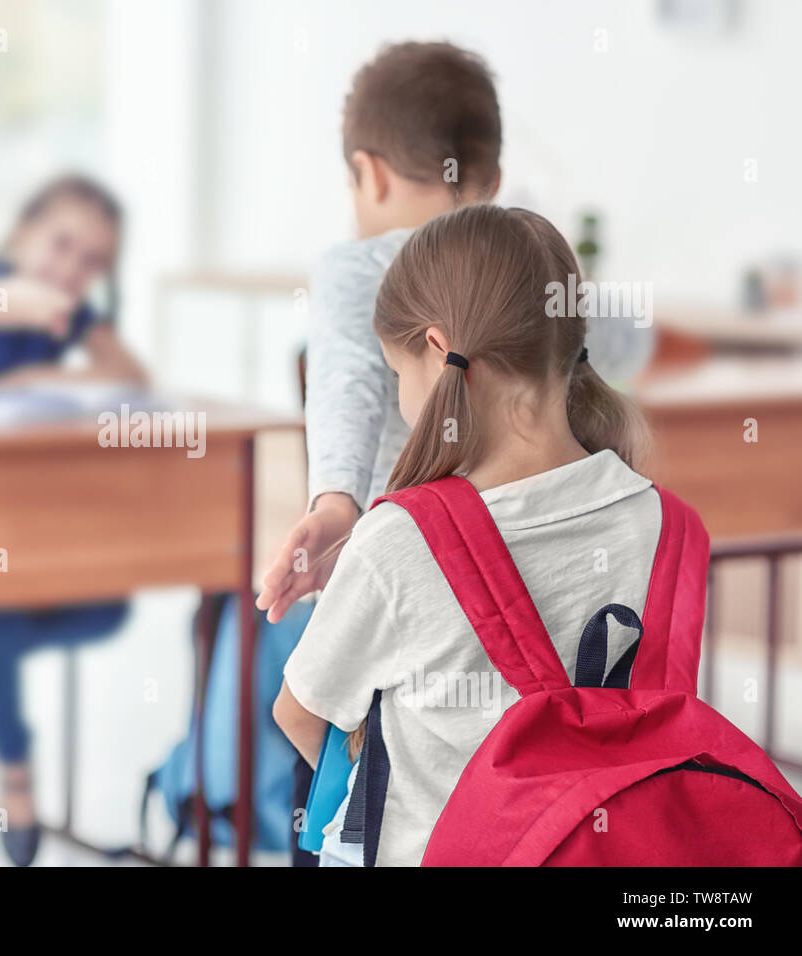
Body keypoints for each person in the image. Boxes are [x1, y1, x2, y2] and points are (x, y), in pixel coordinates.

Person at [251, 41, 651, 864]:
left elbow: (342, 387)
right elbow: (621, 337)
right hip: (551, 677)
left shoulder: (360, 267)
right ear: (494, 176)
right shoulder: (541, 275)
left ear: (369, 172)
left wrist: (337, 500)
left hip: (396, 591)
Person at [0, 174, 147, 865]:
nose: (73, 270)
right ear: (20, 234)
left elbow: (129, 376)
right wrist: (59, 309)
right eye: (61, 245)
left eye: (92, 263)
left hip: (28, 509)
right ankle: (16, 773)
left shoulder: (65, 303)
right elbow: (14, 300)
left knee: (110, 607)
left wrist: (41, 379)